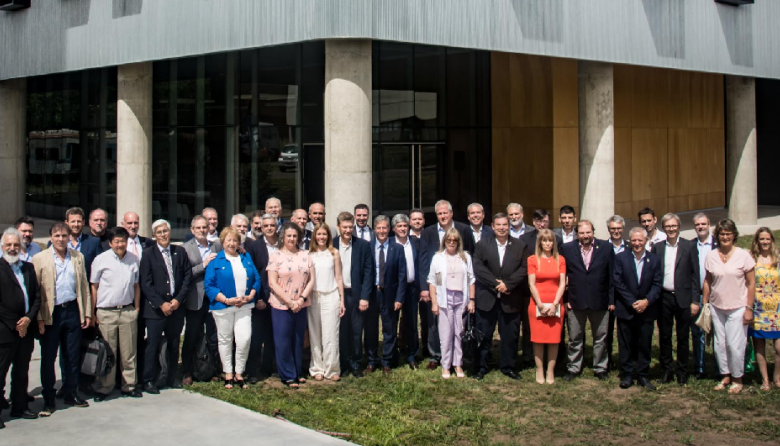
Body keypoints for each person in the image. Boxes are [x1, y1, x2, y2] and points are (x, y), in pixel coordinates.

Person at [33, 222, 92, 416]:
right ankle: (49, 398)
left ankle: (70, 392)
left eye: (64, 236)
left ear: (69, 237)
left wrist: (86, 313)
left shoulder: (77, 257)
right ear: (50, 237)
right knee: (49, 358)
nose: (60, 239)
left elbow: (84, 286)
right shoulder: (39, 259)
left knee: (71, 356)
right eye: (56, 236)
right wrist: (40, 318)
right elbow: (37, 292)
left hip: (72, 311)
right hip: (51, 313)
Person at [419, 200, 474, 370]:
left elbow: (470, 253)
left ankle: (458, 359)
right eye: (439, 214)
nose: (443, 216)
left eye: (445, 213)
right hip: (436, 286)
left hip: (459, 287)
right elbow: (423, 260)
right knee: (435, 322)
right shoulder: (428, 232)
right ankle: (436, 356)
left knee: (458, 326)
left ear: (451, 213)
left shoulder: (464, 230)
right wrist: (424, 288)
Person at [90, 227, 143, 401]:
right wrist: (93, 312)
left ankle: (129, 385)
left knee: (129, 352)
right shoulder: (101, 260)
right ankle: (104, 387)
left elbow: (136, 286)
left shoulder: (133, 260)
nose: (120, 244)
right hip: (107, 312)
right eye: (117, 241)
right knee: (108, 352)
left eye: (123, 241)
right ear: (110, 243)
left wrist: (136, 309)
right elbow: (94, 286)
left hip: (127, 311)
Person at [473, 213, 528, 380]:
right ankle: (481, 367)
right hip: (487, 298)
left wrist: (508, 284)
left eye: (505, 224)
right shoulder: (482, 244)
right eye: (498, 225)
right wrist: (497, 284)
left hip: (510, 298)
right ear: (492, 226)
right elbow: (478, 266)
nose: (502, 228)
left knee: (510, 335)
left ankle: (508, 366)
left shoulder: (520, 246)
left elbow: (524, 269)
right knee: (483, 335)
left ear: (509, 225)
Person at [703, 219, 755, 394]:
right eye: (721, 234)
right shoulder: (711, 255)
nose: (724, 237)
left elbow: (751, 283)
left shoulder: (744, 255)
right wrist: (705, 305)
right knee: (719, 344)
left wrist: (749, 308)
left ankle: (737, 378)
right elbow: (708, 281)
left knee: (735, 344)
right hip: (717, 306)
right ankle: (725, 375)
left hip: (738, 307)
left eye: (728, 234)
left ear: (734, 235)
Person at [204, 227, 261, 389]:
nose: (232, 243)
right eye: (228, 240)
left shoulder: (245, 257)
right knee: (225, 339)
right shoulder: (215, 260)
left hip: (244, 306)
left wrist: (250, 296)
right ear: (222, 242)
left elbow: (256, 279)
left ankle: (239, 372)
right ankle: (228, 373)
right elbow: (209, 286)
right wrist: (227, 300)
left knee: (244, 339)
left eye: (235, 240)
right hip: (223, 307)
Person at [139, 219, 192, 393]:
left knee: (174, 343)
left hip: (176, 308)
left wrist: (178, 300)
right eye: (159, 232)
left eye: (165, 231)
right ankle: (148, 380)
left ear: (170, 232)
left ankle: (171, 377)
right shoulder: (148, 254)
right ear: (154, 235)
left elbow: (186, 277)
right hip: (156, 310)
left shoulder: (180, 251)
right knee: (152, 345)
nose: (163, 235)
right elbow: (146, 283)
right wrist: (161, 304)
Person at [560, 221, 614, 382]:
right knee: (575, 337)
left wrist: (611, 299)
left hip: (600, 300)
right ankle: (574, 367)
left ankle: (600, 367)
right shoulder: (568, 249)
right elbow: (563, 277)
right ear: (577, 234)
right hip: (576, 302)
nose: (586, 236)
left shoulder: (605, 248)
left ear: (593, 232)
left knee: (601, 337)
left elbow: (612, 276)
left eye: (588, 232)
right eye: (582, 233)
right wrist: (565, 300)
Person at [651, 213, 700, 385]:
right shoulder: (657, 247)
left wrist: (695, 301)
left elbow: (695, 275)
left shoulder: (689, 246)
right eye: (668, 226)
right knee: (664, 335)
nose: (671, 229)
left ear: (679, 227)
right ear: (663, 228)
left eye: (674, 226)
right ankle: (667, 370)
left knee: (682, 336)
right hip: (664, 297)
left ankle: (682, 371)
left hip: (684, 297)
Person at [0, 228, 42, 424]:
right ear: (2, 247)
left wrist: (28, 319)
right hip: (5, 331)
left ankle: (20, 407)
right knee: (1, 372)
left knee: (21, 371)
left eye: (16, 244)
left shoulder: (28, 268)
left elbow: (36, 297)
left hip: (26, 329)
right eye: (8, 244)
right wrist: (16, 324)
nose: (12, 248)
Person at [266, 223, 314, 387]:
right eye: (289, 236)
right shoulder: (275, 256)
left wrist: (300, 300)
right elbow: (272, 283)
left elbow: (311, 280)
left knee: (298, 339)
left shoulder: (305, 255)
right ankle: (287, 374)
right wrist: (289, 302)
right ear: (283, 237)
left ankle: (298, 370)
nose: (292, 239)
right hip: (281, 305)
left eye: (294, 236)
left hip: (301, 304)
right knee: (283, 340)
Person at [614, 227, 662, 390]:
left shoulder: (654, 260)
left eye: (640, 240)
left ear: (646, 240)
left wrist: (646, 301)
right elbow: (618, 282)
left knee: (644, 343)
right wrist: (633, 302)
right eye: (633, 240)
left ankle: (643, 375)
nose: (637, 243)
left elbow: (657, 284)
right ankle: (627, 375)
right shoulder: (621, 258)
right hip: (626, 309)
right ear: (630, 241)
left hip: (646, 309)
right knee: (625, 343)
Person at [429, 228, 476, 379]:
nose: (451, 243)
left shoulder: (465, 257)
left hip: (461, 300)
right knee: (445, 334)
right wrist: (434, 302)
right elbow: (433, 282)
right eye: (448, 240)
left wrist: (471, 301)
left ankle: (458, 364)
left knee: (459, 333)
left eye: (454, 240)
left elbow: (471, 280)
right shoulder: (438, 258)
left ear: (458, 242)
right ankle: (446, 365)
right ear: (444, 242)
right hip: (444, 299)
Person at [181, 215, 223, 385]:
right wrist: (203, 265)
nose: (202, 230)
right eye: (198, 228)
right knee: (192, 336)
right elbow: (185, 275)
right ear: (192, 230)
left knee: (214, 336)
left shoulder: (216, 245)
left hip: (213, 299)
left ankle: (213, 369)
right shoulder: (185, 248)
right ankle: (187, 371)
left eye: (204, 227)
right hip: (195, 298)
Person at [334, 212, 374, 377]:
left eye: (350, 227)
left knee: (357, 330)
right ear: (338, 227)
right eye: (344, 227)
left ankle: (356, 363)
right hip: (337, 295)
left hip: (356, 294)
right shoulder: (332, 244)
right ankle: (343, 363)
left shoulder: (363, 245)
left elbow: (368, 272)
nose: (348, 230)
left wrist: (365, 297)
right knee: (342, 330)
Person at [365, 215, 406, 375]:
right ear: (374, 229)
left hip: (389, 295)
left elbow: (402, 276)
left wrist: (399, 298)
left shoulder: (397, 249)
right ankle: (371, 360)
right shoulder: (367, 247)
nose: (382, 231)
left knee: (389, 329)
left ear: (389, 229)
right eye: (379, 228)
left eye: (384, 228)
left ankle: (387, 361)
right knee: (371, 329)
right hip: (372, 294)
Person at [528, 229, 566, 384]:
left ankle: (550, 370)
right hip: (538, 303)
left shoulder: (560, 259)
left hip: (556, 303)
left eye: (550, 241)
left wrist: (555, 304)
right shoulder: (532, 259)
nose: (547, 244)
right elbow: (531, 283)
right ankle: (539, 369)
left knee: (554, 339)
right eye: (544, 240)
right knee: (538, 339)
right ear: (540, 242)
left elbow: (562, 283)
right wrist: (541, 305)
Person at [308, 222, 345, 381]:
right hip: (314, 297)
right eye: (319, 234)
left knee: (331, 334)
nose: (321, 237)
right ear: (314, 236)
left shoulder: (334, 253)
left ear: (328, 236)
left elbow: (338, 277)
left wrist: (342, 299)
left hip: (331, 295)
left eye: (324, 234)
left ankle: (332, 368)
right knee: (315, 333)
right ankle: (317, 368)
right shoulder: (309, 254)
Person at [245, 214, 278, 383]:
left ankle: (268, 368)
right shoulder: (254, 247)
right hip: (261, 299)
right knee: (257, 337)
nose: (269, 228)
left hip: (279, 298)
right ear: (261, 228)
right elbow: (251, 274)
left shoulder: (283, 244)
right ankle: (252, 371)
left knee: (273, 336)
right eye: (266, 226)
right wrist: (257, 298)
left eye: (272, 225)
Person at [749, 228, 780, 391]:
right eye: (762, 239)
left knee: (779, 347)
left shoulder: (778, 258)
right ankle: (765, 379)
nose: (765, 242)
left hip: (777, 309)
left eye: (768, 239)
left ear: (772, 240)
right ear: (757, 241)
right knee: (759, 345)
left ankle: (777, 377)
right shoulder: (751, 259)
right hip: (758, 309)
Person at [392, 213, 422, 369]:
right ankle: (393, 355)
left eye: (405, 226)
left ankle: (411, 355)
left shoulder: (415, 242)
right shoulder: (390, 243)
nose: (403, 229)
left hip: (411, 287)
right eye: (399, 226)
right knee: (392, 322)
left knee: (411, 322)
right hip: (394, 289)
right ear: (394, 229)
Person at [692, 212, 717, 379]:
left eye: (703, 224)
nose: (700, 227)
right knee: (698, 332)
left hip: (717, 294)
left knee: (717, 334)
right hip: (697, 295)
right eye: (697, 225)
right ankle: (699, 368)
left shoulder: (718, 244)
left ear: (709, 224)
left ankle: (719, 368)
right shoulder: (690, 245)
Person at [605, 215, 628, 370]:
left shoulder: (630, 246)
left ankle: (625, 359)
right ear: (608, 230)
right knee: (606, 331)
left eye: (619, 228)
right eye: (613, 229)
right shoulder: (602, 247)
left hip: (625, 296)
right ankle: (606, 360)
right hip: (607, 296)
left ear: (623, 229)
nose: (616, 231)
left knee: (624, 331)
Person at [64, 207, 102, 277]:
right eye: (73, 221)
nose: (76, 224)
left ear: (83, 222)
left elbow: (100, 268)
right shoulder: (58, 242)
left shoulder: (94, 242)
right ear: (66, 223)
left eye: (79, 221)